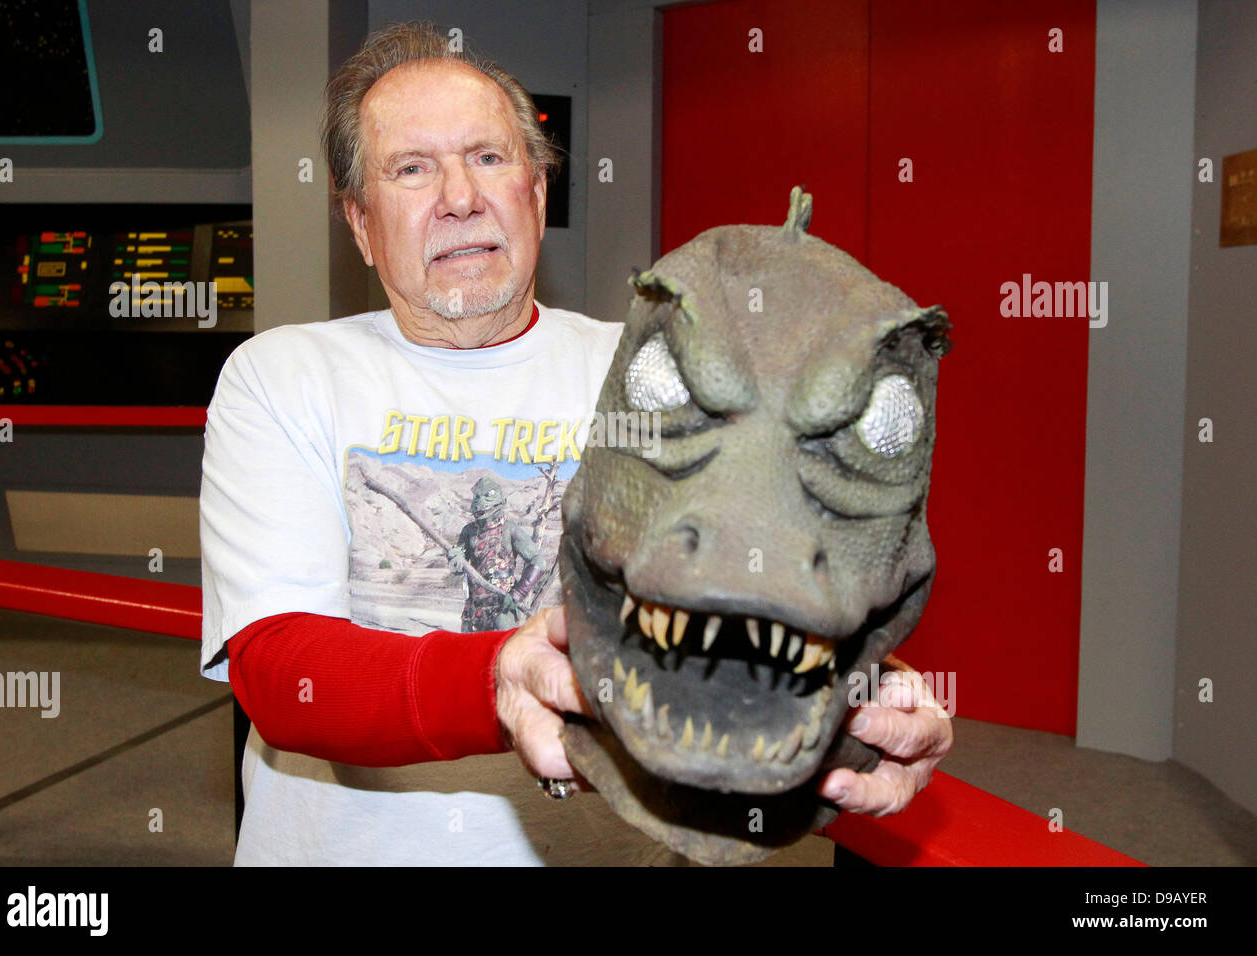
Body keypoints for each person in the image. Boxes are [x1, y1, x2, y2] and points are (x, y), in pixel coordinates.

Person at [198, 21, 952, 866]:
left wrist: (857, 696)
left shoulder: (650, 376)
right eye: (411, 169)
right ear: (362, 223)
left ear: (537, 193)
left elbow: (764, 579)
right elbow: (279, 670)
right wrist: (494, 684)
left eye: (488, 158)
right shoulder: (282, 377)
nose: (458, 196)